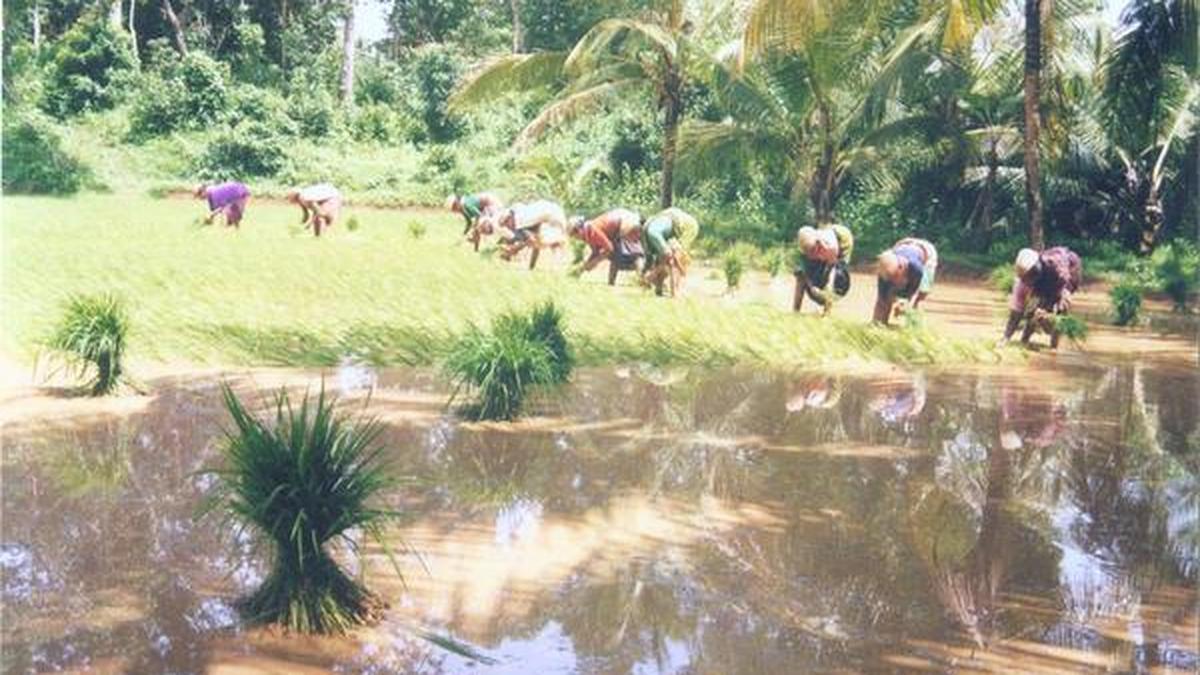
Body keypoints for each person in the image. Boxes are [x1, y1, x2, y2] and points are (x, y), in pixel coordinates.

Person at [1002, 246, 1083, 349]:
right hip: (1045, 283)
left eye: (1032, 275)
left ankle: (1054, 346)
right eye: (1027, 278)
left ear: (1038, 267)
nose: (1030, 280)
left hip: (1068, 275)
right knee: (1034, 310)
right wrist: (1005, 338)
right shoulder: (1021, 284)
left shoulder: (1055, 268)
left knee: (1059, 311)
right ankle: (1024, 340)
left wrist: (1063, 296)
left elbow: (1065, 282)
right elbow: (1016, 313)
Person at [568, 208, 643, 285]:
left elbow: (609, 249)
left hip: (627, 222)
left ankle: (643, 280)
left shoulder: (592, 230)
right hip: (619, 227)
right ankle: (611, 283)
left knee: (634, 255)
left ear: (579, 229)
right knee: (615, 256)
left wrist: (595, 262)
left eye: (575, 234)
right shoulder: (587, 234)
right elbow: (595, 253)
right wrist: (582, 269)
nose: (576, 238)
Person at [873, 237, 939, 325]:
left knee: (920, 297)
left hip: (926, 251)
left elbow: (914, 294)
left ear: (901, 269)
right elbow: (881, 299)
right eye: (891, 279)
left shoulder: (916, 268)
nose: (893, 282)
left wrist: (904, 304)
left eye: (895, 277)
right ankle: (881, 324)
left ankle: (913, 327)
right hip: (903, 245)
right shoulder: (884, 272)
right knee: (884, 298)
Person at [794, 224, 854, 316]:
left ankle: (827, 311)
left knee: (838, 276)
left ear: (818, 245)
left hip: (843, 238)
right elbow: (802, 275)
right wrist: (811, 286)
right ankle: (796, 310)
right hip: (823, 237)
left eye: (813, 251)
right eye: (808, 253)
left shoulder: (830, 247)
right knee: (801, 272)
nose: (811, 255)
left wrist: (826, 304)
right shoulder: (804, 251)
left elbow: (831, 276)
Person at [640, 207, 699, 297]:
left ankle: (659, 287)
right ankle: (674, 292)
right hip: (669, 223)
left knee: (670, 258)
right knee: (672, 260)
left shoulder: (648, 231)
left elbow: (654, 258)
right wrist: (681, 269)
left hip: (675, 223)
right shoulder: (652, 231)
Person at [496, 200, 568, 270]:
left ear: (510, 218)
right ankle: (558, 268)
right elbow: (535, 244)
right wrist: (531, 267)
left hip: (552, 217)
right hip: (558, 214)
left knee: (543, 241)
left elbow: (531, 240)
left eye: (506, 224)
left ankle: (558, 267)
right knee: (551, 243)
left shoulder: (519, 222)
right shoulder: (524, 213)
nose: (508, 227)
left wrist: (515, 249)